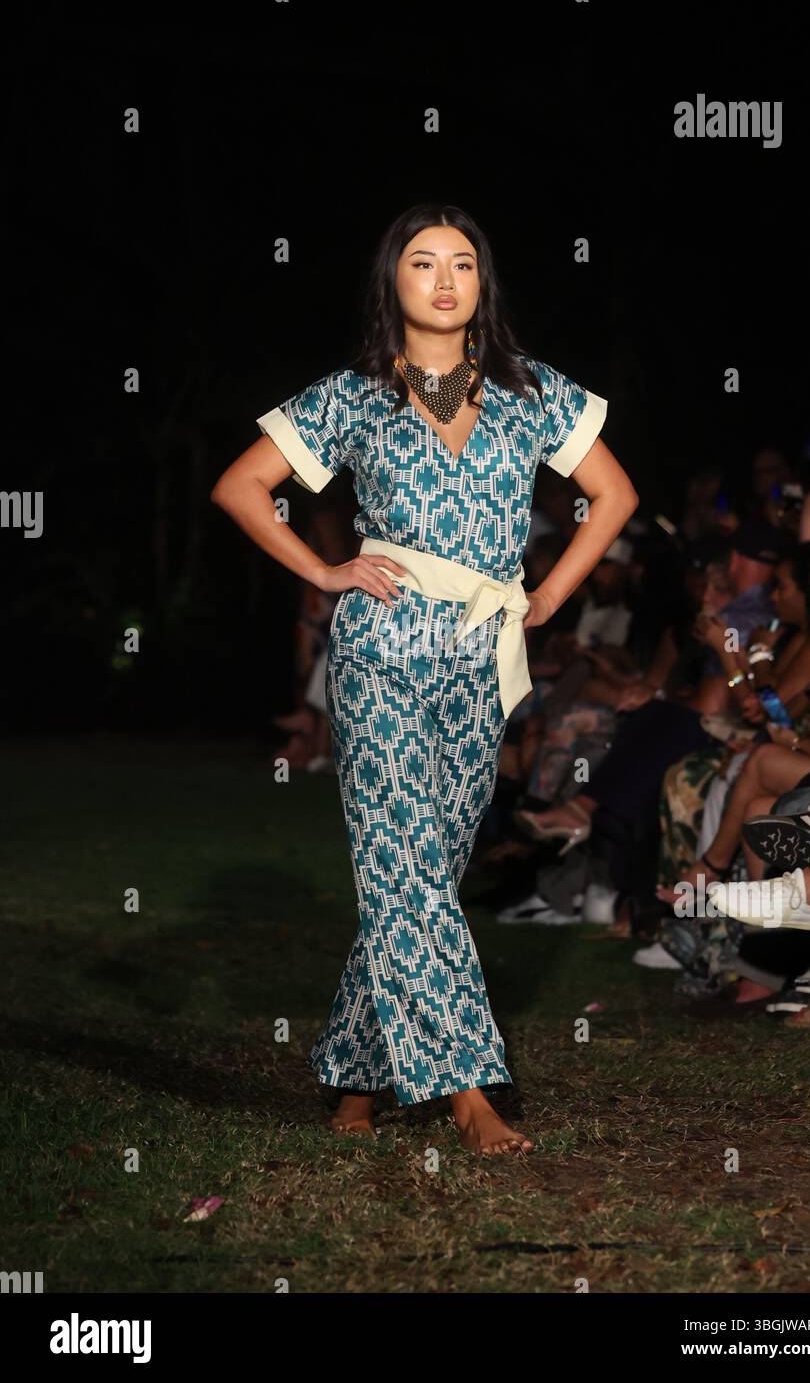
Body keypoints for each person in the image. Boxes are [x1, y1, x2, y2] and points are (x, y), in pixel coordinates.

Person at [210, 203, 638, 1155]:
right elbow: (242, 484)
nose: (445, 279)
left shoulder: (530, 390)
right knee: (401, 864)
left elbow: (614, 496)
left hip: (482, 650)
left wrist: (545, 598)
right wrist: (322, 573)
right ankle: (467, 1088)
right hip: (381, 647)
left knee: (428, 870)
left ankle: (357, 1077)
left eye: (463, 264)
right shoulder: (356, 392)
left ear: (482, 285)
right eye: (421, 263)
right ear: (392, 284)